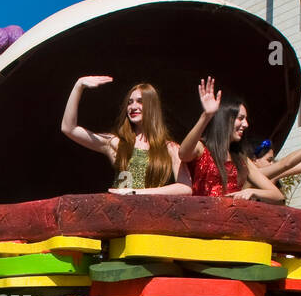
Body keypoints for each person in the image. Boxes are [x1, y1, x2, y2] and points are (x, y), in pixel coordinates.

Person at [63, 77, 192, 196]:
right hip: (119, 214)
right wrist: (78, 86)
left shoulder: (170, 147)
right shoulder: (117, 143)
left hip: (151, 216)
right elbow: (69, 128)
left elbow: (185, 188)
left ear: (152, 107)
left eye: (140, 102)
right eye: (130, 103)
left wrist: (136, 192)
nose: (133, 107)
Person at [174, 78, 285, 203]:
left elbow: (277, 194)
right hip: (201, 218)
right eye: (241, 118)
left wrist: (251, 191)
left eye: (246, 119)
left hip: (231, 220)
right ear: (226, 119)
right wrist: (207, 116)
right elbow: (183, 154)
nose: (246, 124)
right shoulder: (202, 148)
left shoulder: (241, 158)